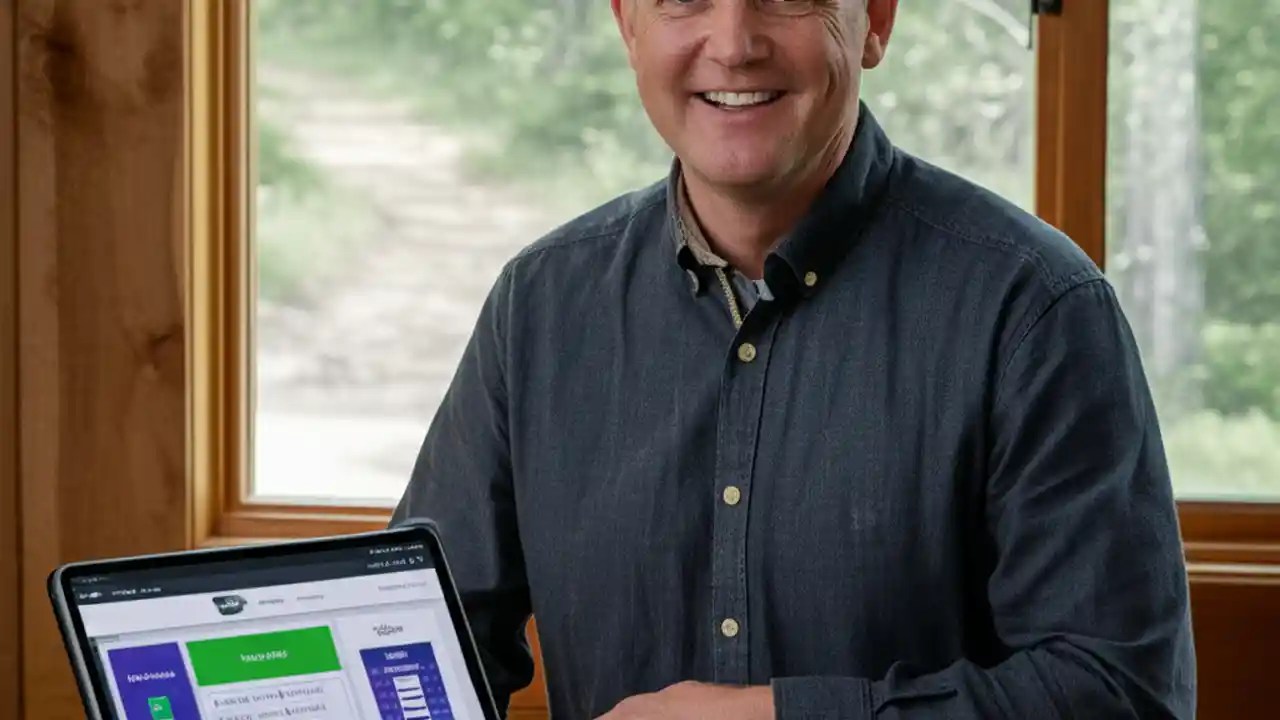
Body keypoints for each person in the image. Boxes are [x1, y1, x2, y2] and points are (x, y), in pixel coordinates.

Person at [391, 0, 1196, 717]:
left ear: (875, 20)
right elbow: (412, 648)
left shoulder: (1035, 310)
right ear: (627, 25)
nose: (734, 43)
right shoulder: (539, 307)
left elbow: (1121, 693)